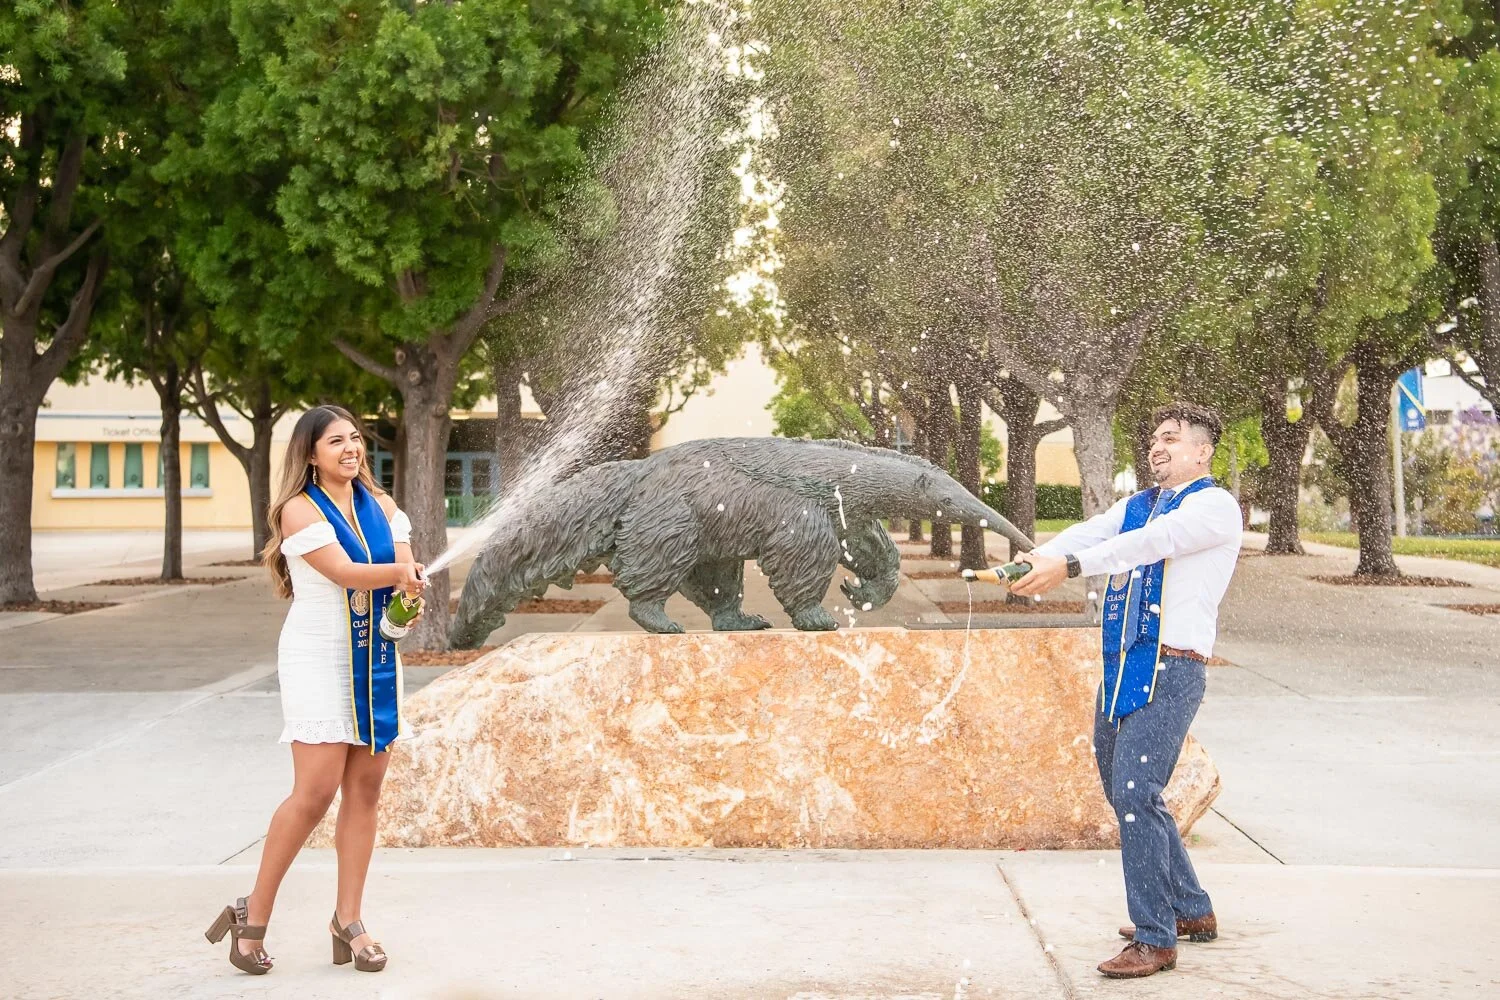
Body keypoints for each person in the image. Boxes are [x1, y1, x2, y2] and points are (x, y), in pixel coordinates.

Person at [1008, 402, 1242, 980]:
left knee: (1138, 791)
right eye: (1154, 438)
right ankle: (1190, 908)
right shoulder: (1139, 504)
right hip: (1124, 664)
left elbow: (1147, 544)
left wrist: (1071, 564)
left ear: (1202, 450)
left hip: (1172, 667)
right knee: (1126, 790)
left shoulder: (1214, 506)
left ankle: (1155, 938)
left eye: (1172, 438)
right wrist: (1039, 556)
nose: (1157, 446)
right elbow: (1096, 530)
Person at [204, 405, 425, 975]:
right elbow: (350, 572)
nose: (350, 448)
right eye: (336, 441)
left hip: (375, 658)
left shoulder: (384, 508)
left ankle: (347, 921)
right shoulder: (298, 511)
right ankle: (252, 911)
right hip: (318, 657)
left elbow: (398, 578)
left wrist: (408, 602)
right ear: (310, 454)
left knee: (367, 790)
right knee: (315, 792)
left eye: (355, 439)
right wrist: (403, 574)